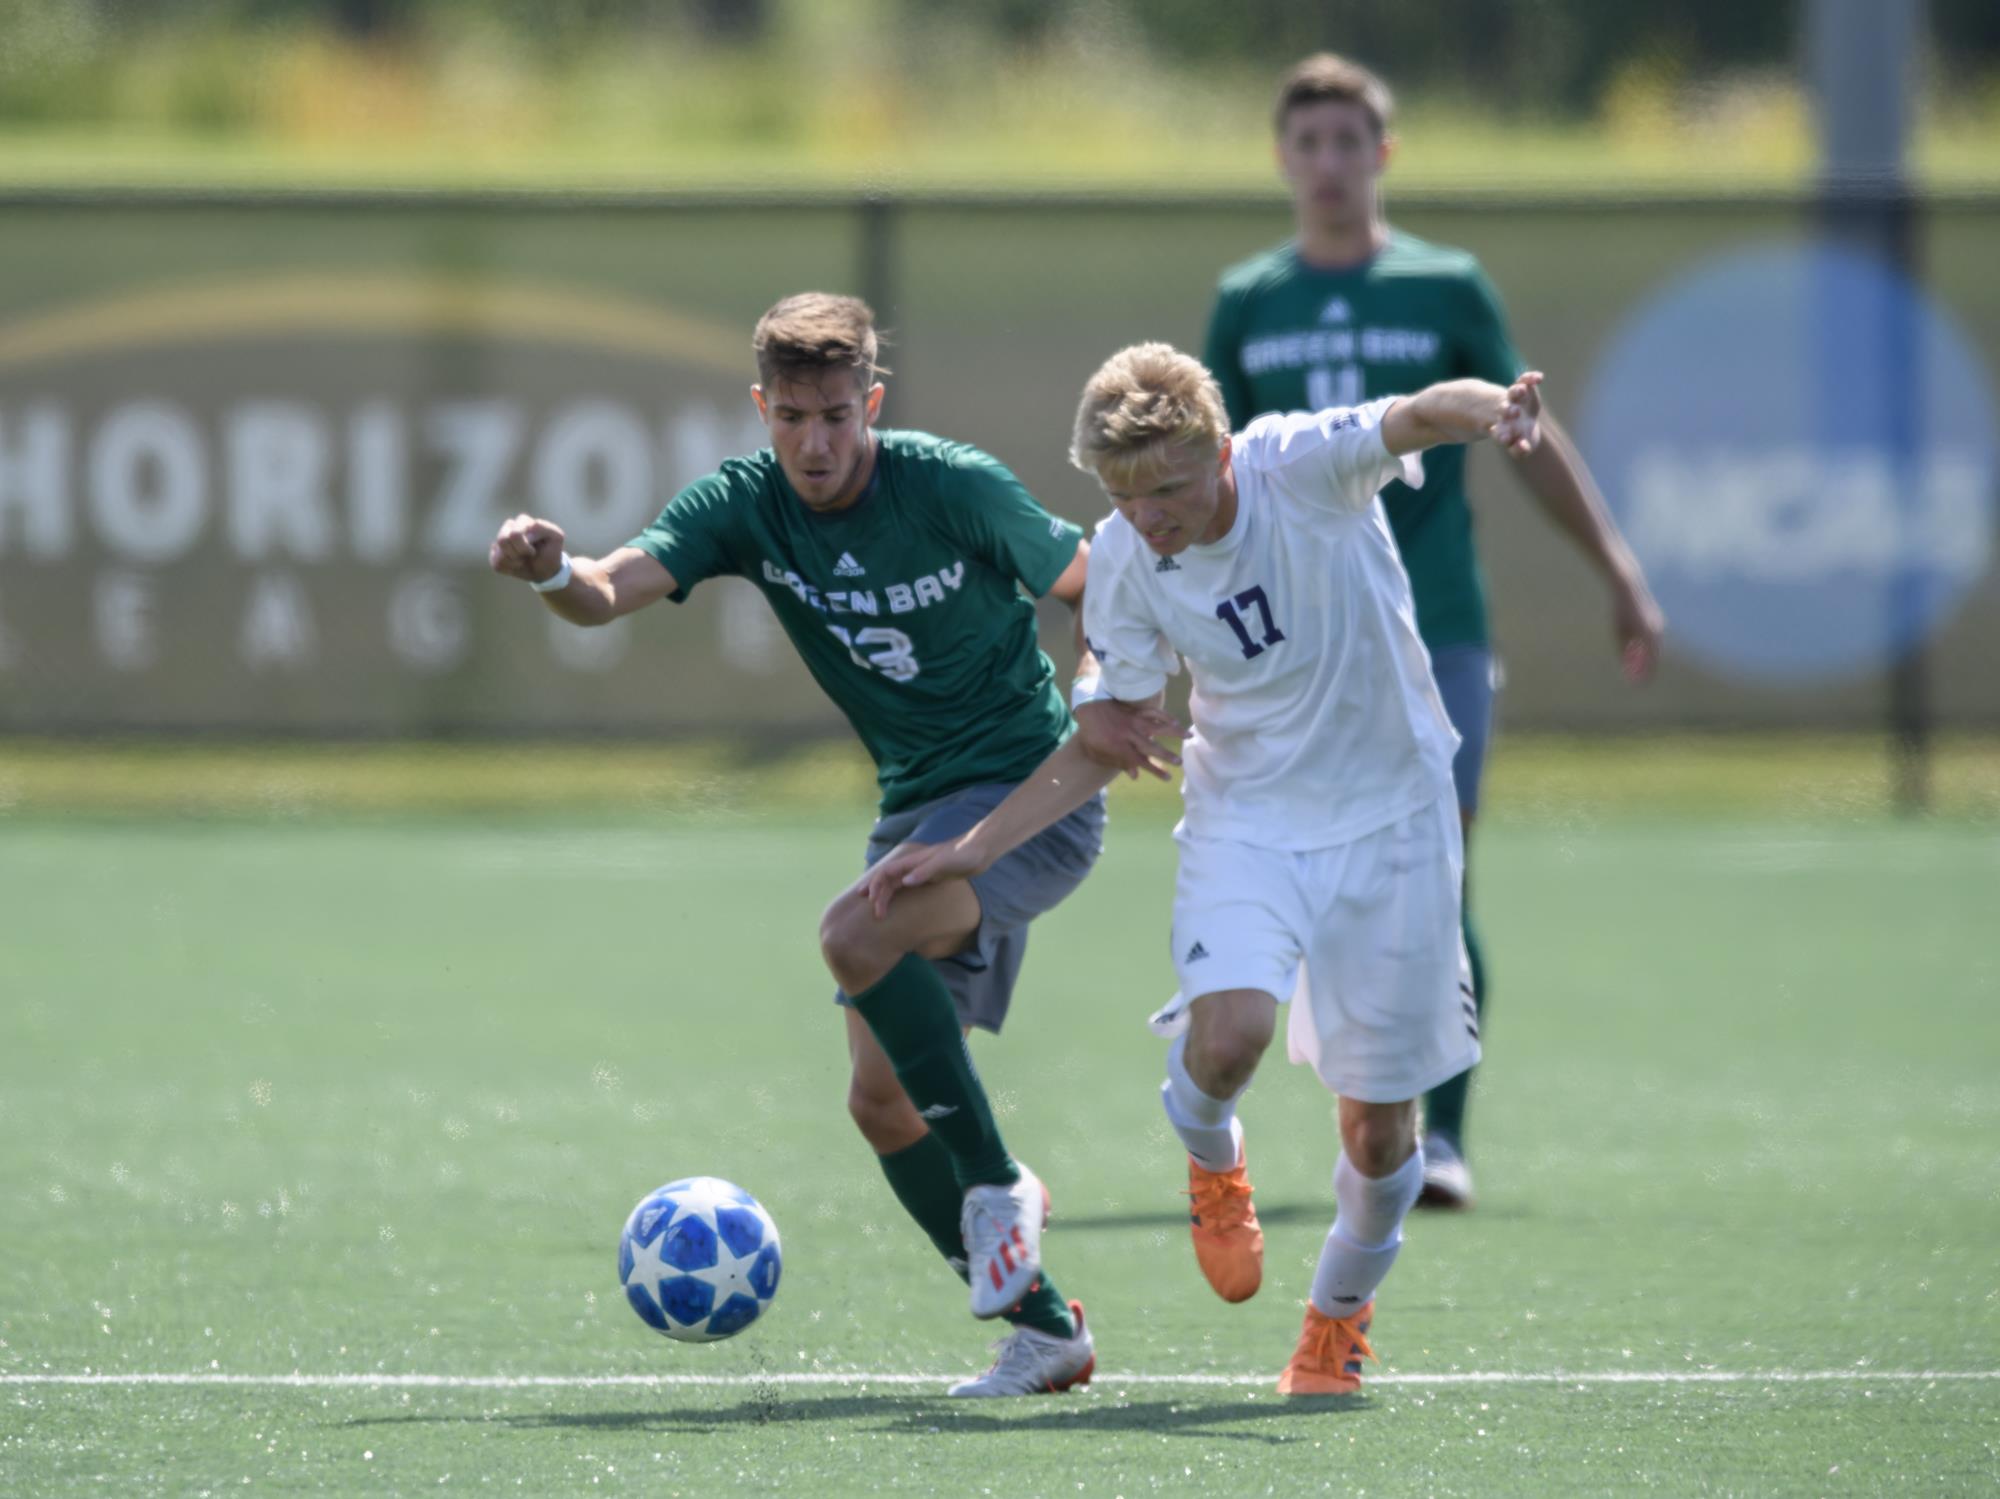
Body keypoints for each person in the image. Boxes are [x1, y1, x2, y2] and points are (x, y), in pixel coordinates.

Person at [489, 293, 1170, 1397]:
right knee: (879, 1103)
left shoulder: (949, 484)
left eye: (837, 416)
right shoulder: (743, 504)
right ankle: (1046, 1330)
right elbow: (606, 593)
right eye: (793, 416)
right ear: (762, 406)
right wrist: (554, 572)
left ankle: (997, 1183)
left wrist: (1101, 696)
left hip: (1025, 800)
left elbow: (1097, 582)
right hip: (914, 807)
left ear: (873, 405)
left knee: (853, 933)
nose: (815, 442)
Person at [866, 343, 1541, 1394]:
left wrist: (1497, 407)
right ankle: (1214, 1160)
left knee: (1377, 1134)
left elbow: (1418, 413)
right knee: (1227, 1042)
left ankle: (1335, 1319)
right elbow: (1102, 738)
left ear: (1219, 454)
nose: (1148, 516)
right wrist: (970, 847)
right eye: (1122, 496)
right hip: (1247, 818)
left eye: (1168, 489)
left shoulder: (1299, 463)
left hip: (1395, 819)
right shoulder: (1125, 555)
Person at [1201, 52, 1665, 1208]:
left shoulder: (1444, 285)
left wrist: (1615, 566)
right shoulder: (1248, 300)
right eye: (1307, 142)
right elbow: (1207, 475)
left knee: (1434, 875)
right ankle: (1365, 1104)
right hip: (1301, 647)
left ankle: (1437, 1138)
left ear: (1382, 154)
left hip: (1431, 627)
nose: (1327, 163)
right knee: (1317, 887)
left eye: (1346, 141)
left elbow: (1523, 437)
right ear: (1281, 158)